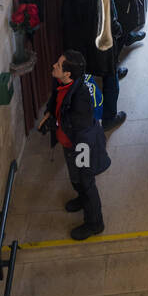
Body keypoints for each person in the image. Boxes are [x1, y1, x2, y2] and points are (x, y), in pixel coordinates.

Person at [37, 50, 111, 241]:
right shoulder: (62, 83)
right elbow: (55, 101)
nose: (54, 65)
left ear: (68, 74)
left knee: (87, 182)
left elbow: (79, 126)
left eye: (59, 65)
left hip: (81, 147)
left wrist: (54, 123)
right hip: (69, 144)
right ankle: (81, 197)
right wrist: (48, 113)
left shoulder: (81, 97)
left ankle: (95, 223)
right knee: (75, 178)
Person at [61, 0, 127, 132]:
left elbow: (66, 22)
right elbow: (113, 22)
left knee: (82, 84)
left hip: (80, 49)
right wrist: (119, 32)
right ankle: (109, 118)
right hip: (102, 49)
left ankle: (84, 119)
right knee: (110, 81)